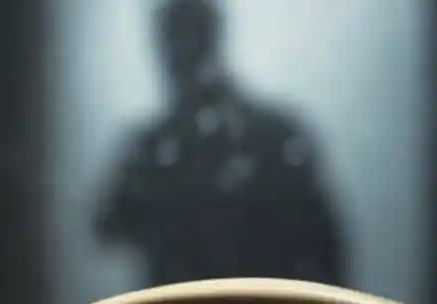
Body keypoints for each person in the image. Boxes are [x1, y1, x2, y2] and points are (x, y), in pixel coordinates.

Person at [96, 0, 342, 286]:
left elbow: (324, 245)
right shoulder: (275, 133)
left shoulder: (153, 147)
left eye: (185, 44)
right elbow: (107, 226)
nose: (177, 58)